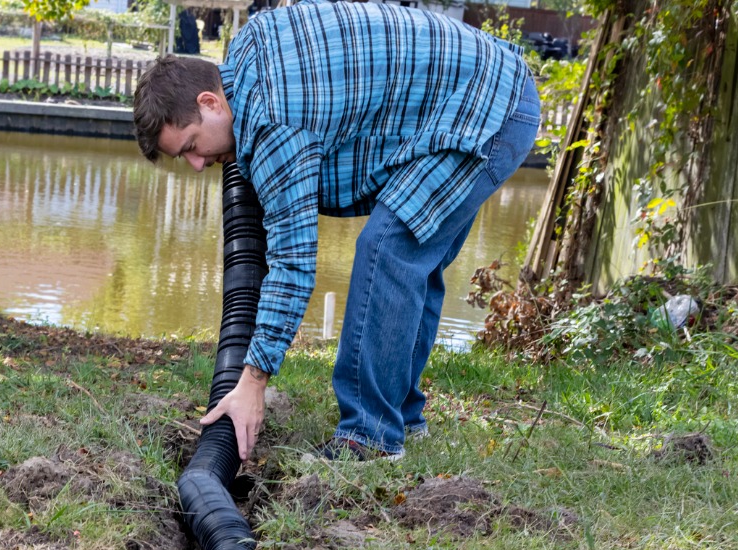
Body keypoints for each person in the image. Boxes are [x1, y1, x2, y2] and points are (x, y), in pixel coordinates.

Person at [133, 0, 540, 462]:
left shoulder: (275, 122)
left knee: (388, 249)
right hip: (482, 88)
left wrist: (252, 382)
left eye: (191, 146)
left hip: (485, 108)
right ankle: (401, 417)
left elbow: (292, 264)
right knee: (410, 261)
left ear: (210, 101)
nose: (198, 164)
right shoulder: (247, 56)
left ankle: (370, 437)